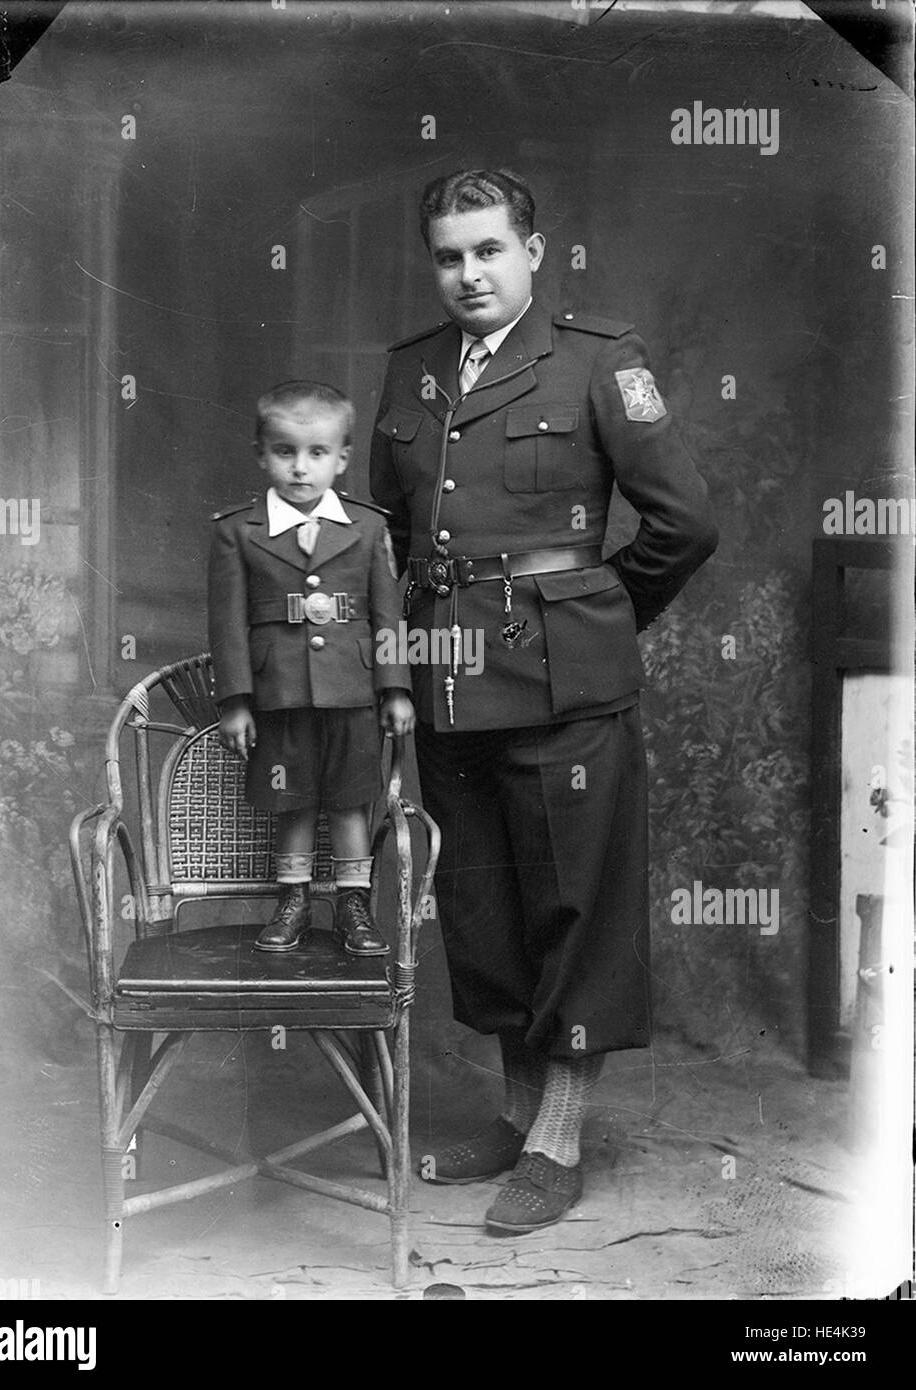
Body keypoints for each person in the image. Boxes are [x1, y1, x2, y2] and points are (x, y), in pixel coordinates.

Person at [369, 169, 718, 1231]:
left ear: (532, 250)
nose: (467, 273)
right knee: (482, 910)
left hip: (563, 688)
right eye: (447, 255)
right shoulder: (412, 369)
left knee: (574, 908)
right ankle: (520, 1120)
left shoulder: (599, 362)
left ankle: (558, 1142)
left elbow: (682, 526)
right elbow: (388, 535)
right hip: (446, 689)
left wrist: (591, 620)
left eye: (486, 250)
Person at [209, 380, 414, 957]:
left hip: (352, 691)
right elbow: (226, 625)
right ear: (261, 453)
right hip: (280, 693)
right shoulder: (236, 531)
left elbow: (386, 615)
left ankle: (352, 904)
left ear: (342, 459)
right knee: (292, 797)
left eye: (317, 453)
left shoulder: (370, 528)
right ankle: (293, 900)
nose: (301, 468)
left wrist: (395, 688)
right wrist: (236, 702)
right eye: (285, 452)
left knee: (351, 797)